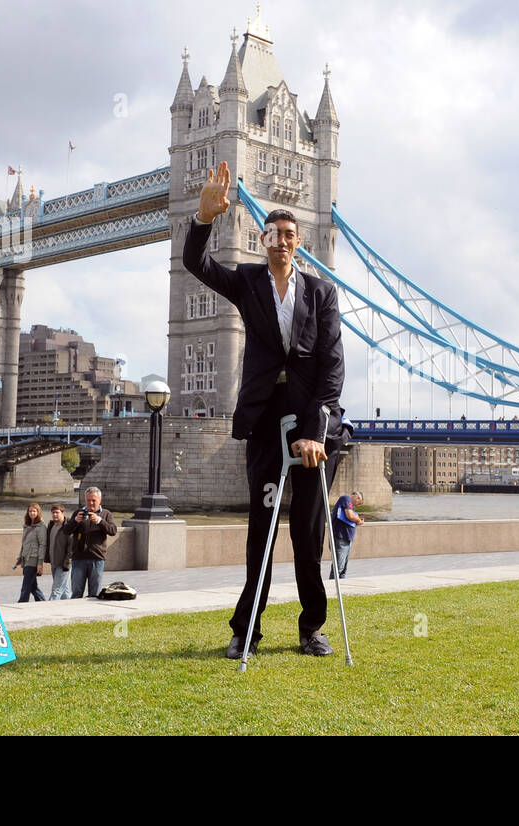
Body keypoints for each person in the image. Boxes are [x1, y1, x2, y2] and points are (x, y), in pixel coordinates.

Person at [185, 160, 347, 660]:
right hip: (263, 422)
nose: (280, 239)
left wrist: (316, 431)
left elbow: (333, 370)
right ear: (261, 240)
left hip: (312, 421)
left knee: (308, 531)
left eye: (289, 233)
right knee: (261, 528)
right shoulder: (248, 282)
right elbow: (197, 265)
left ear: (300, 243)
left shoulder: (322, 293)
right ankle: (245, 630)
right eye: (272, 233)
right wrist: (203, 219)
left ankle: (311, 629)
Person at [64, 487, 117, 598]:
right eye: (88, 500)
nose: (91, 503)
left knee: (95, 594)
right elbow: (66, 530)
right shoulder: (78, 513)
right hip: (79, 558)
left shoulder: (106, 514)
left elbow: (113, 531)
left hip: (97, 558)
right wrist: (75, 521)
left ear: (100, 500)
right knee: (76, 592)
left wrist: (99, 521)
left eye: (94, 500)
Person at [15, 503, 47, 602]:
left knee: (26, 586)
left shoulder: (41, 527)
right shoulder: (27, 526)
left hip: (33, 559)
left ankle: (22, 603)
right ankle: (43, 603)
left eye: (34, 511)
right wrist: (20, 557)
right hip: (26, 559)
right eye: (30, 511)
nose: (32, 513)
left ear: (38, 512)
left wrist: (40, 563)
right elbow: (24, 543)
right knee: (33, 587)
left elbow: (42, 545)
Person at [329, 491, 364, 579]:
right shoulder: (346, 498)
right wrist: (359, 520)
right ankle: (333, 586)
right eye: (358, 503)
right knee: (338, 567)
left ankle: (342, 586)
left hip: (346, 539)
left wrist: (357, 521)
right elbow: (350, 516)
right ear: (357, 498)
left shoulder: (349, 504)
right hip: (341, 538)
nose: (356, 506)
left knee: (343, 568)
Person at [45, 503, 74, 601]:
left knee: (56, 590)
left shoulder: (68, 526)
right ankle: (71, 608)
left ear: (63, 513)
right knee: (64, 591)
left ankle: (47, 610)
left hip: (63, 564)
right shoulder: (51, 525)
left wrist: (67, 563)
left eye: (57, 512)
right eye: (53, 513)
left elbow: (71, 547)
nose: (54, 515)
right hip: (54, 563)